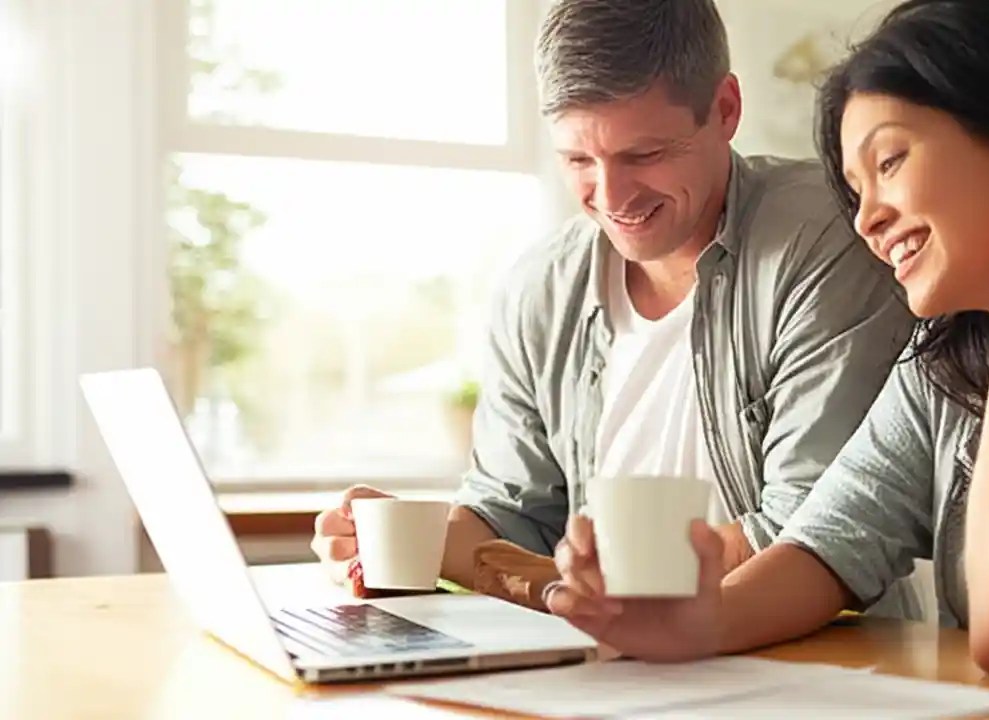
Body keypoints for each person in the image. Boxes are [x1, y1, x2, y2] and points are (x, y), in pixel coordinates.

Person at [548, 0, 989, 677]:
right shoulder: (951, 362)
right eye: (854, 188)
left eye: (890, 162)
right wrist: (684, 623)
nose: (866, 219)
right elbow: (828, 543)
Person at [310, 0, 915, 612]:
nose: (612, 196)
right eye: (577, 160)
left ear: (726, 110)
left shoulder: (825, 237)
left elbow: (808, 531)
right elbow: (511, 513)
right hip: (603, 669)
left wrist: (570, 584)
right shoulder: (541, 288)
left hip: (816, 667)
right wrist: (405, 544)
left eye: (643, 155)